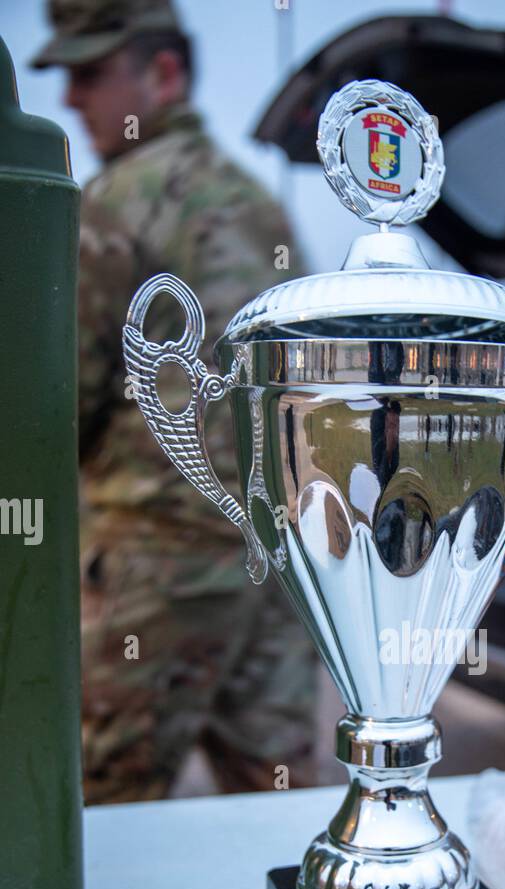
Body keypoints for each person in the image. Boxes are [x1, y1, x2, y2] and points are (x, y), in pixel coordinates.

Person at [31, 0, 320, 802]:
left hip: (158, 567)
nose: (70, 100)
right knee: (276, 801)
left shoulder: (111, 201)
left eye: (90, 74)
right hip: (273, 557)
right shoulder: (262, 207)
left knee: (103, 806)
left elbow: (62, 395)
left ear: (163, 72)